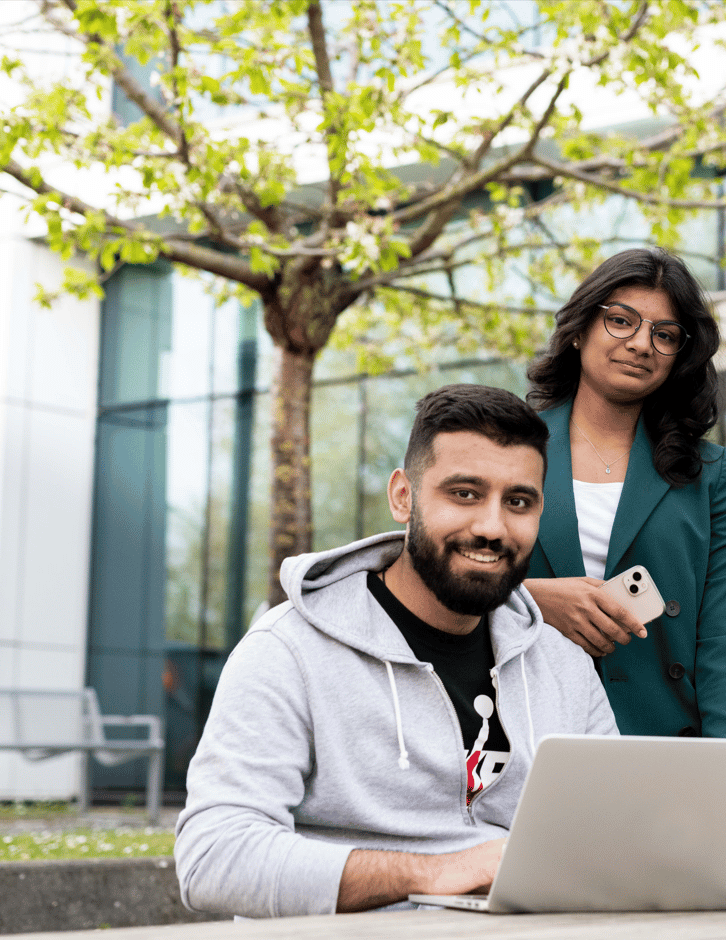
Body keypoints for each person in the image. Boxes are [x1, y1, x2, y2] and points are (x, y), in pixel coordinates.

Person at [175, 384, 618, 918]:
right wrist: (432, 874)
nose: (492, 527)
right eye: (465, 493)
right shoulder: (287, 650)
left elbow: (606, 838)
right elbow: (213, 859)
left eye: (518, 502)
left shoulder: (564, 665)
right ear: (403, 497)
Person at [523, 247, 726, 743]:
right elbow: (435, 577)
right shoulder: (510, 448)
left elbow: (725, 637)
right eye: (620, 321)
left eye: (665, 334)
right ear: (578, 329)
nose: (640, 344)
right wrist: (530, 599)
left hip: (659, 737)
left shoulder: (708, 475)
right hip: (525, 730)